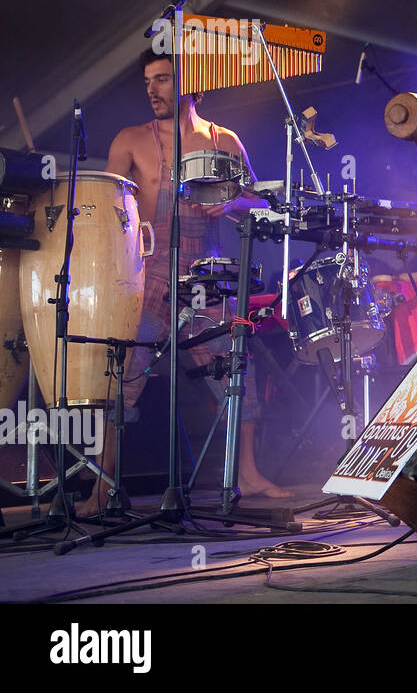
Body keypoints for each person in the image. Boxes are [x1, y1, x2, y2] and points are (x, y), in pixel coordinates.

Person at [90, 50, 290, 511]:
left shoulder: (225, 141)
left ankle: (248, 474)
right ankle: (104, 484)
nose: (152, 90)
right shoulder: (130, 140)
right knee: (125, 370)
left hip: (209, 272)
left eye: (162, 79)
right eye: (148, 81)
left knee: (237, 368)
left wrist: (232, 205)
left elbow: (256, 202)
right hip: (148, 270)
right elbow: (107, 209)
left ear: (191, 84)